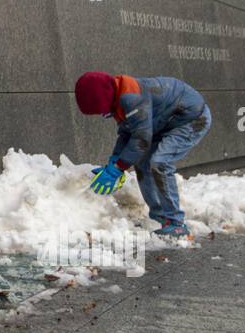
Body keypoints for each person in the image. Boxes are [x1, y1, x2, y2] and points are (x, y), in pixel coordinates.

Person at [73, 71, 212, 238]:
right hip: (165, 122)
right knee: (141, 163)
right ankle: (162, 218)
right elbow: (127, 133)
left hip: (192, 119)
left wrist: (117, 169)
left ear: (105, 96)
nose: (104, 114)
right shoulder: (118, 97)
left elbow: (141, 139)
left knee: (160, 162)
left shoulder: (132, 98)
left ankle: (176, 223)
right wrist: (113, 162)